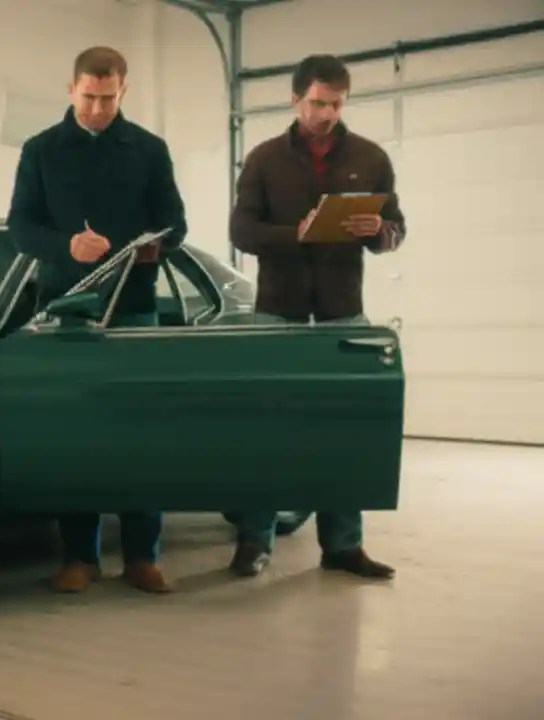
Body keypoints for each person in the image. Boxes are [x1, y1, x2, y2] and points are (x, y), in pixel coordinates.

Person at [6, 46, 188, 595]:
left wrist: (156, 246)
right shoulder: (40, 150)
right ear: (71, 88)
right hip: (67, 307)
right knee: (74, 435)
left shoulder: (149, 150)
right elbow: (19, 226)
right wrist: (66, 245)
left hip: (134, 307)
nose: (98, 108)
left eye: (108, 98)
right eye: (89, 96)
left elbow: (175, 223)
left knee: (141, 437)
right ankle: (79, 557)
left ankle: (142, 556)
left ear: (123, 91)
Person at [227, 54, 404, 580]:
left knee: (343, 431)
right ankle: (254, 541)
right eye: (316, 103)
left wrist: (379, 229)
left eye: (335, 104)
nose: (325, 113)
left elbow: (395, 231)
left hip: (342, 313)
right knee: (264, 430)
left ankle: (343, 546)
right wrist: (295, 235)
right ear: (295, 99)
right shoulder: (262, 159)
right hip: (275, 312)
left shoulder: (371, 158)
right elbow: (241, 232)